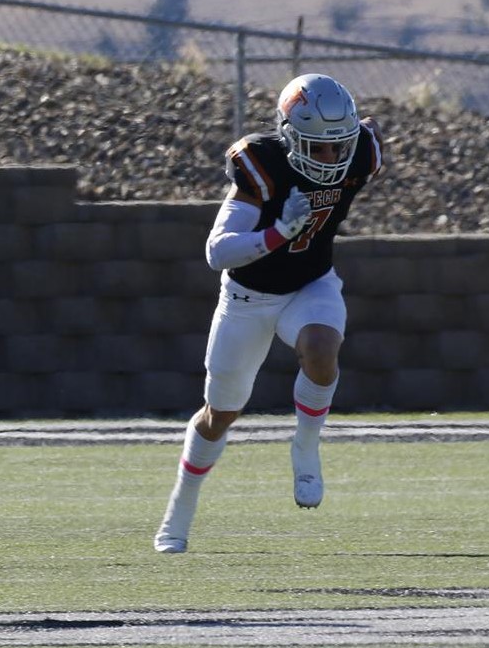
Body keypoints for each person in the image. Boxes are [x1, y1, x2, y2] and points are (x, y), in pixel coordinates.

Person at [155, 72, 385, 553]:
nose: (330, 158)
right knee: (221, 413)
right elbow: (218, 251)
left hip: (312, 284)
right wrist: (278, 232)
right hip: (247, 298)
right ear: (288, 136)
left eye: (338, 146)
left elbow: (364, 138)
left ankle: (305, 445)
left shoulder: (362, 152)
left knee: (322, 346)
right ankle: (181, 509)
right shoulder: (263, 167)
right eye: (317, 148)